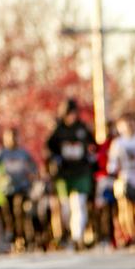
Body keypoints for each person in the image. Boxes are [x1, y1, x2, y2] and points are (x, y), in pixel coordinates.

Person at [45, 98, 95, 250]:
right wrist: (54, 160)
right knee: (66, 208)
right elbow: (48, 149)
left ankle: (77, 236)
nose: (71, 117)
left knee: (79, 204)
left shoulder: (82, 128)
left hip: (80, 171)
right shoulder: (58, 130)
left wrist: (89, 155)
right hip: (64, 174)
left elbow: (92, 145)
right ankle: (68, 233)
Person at [107, 114, 135, 248]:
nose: (129, 126)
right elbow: (112, 165)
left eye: (131, 123)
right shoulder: (118, 143)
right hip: (126, 179)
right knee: (126, 208)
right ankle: (132, 235)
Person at [0, 129, 38, 255]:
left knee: (19, 211)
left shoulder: (23, 153)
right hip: (6, 189)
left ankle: (21, 238)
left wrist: (33, 180)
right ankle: (11, 237)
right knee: (8, 215)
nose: (11, 140)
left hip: (22, 187)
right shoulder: (1, 154)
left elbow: (34, 168)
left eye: (13, 137)